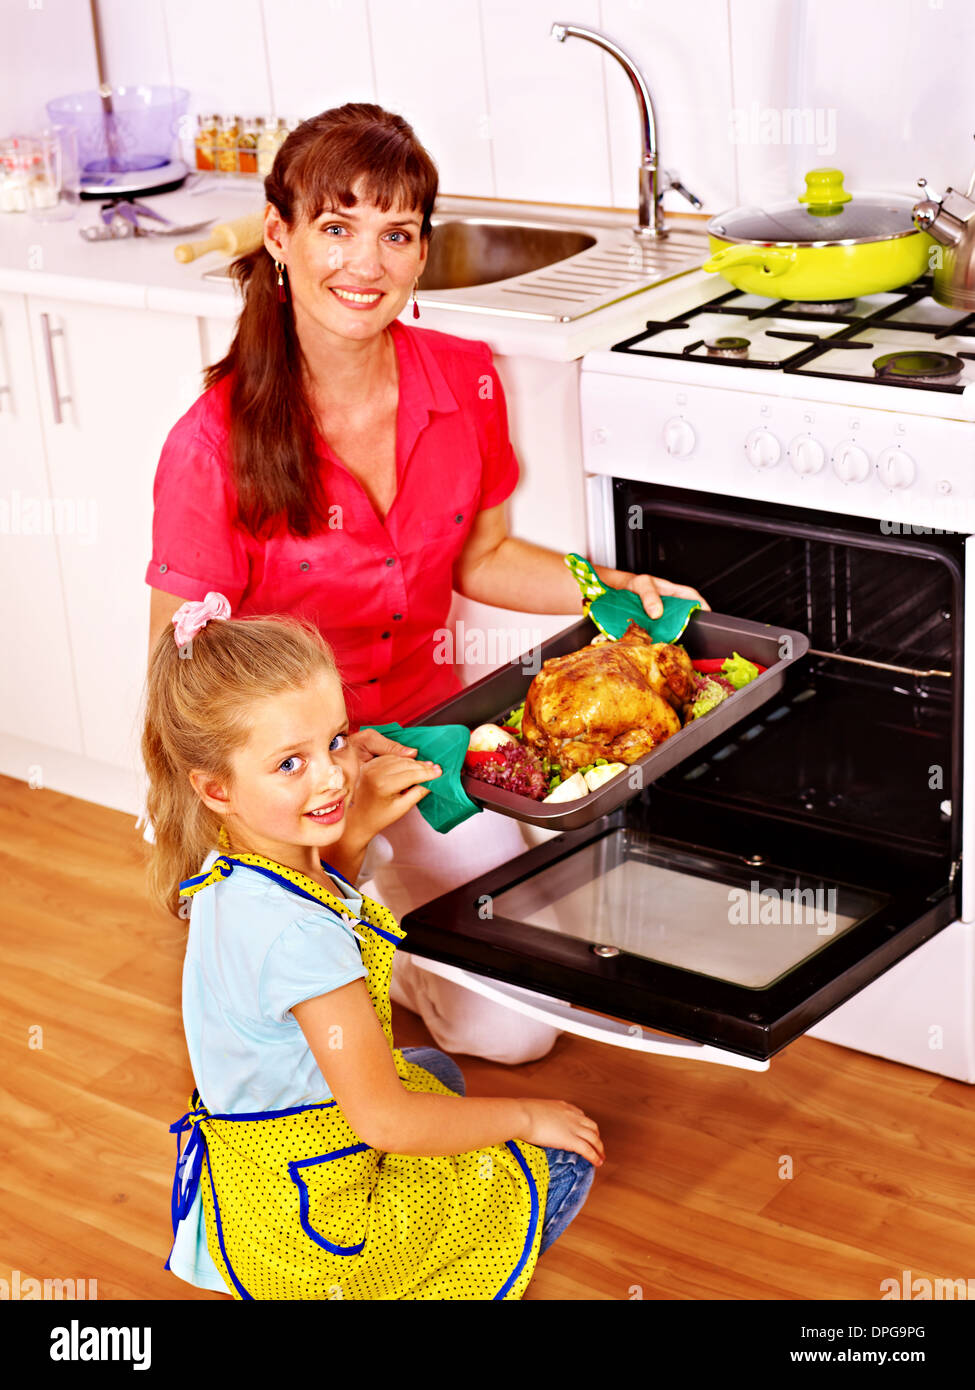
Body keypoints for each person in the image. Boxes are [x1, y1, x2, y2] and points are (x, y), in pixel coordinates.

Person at [145, 102, 707, 1066]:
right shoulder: (211, 446)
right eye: (336, 228)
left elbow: (481, 557)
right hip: (279, 781)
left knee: (519, 1032)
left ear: (420, 253)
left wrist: (601, 586)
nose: (365, 265)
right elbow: (185, 681)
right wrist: (316, 778)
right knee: (290, 1024)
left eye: (394, 234)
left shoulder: (464, 380)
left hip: (426, 740)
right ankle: (340, 921)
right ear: (280, 238)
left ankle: (392, 946)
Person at [144, 594, 603, 1299]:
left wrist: (351, 841)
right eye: (288, 765)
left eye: (333, 741)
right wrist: (527, 1114)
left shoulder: (225, 874)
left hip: (253, 1193)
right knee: (561, 1162)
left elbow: (318, 910)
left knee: (432, 1071)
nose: (332, 776)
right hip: (321, 1237)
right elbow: (384, 1120)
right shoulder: (297, 939)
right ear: (215, 789)